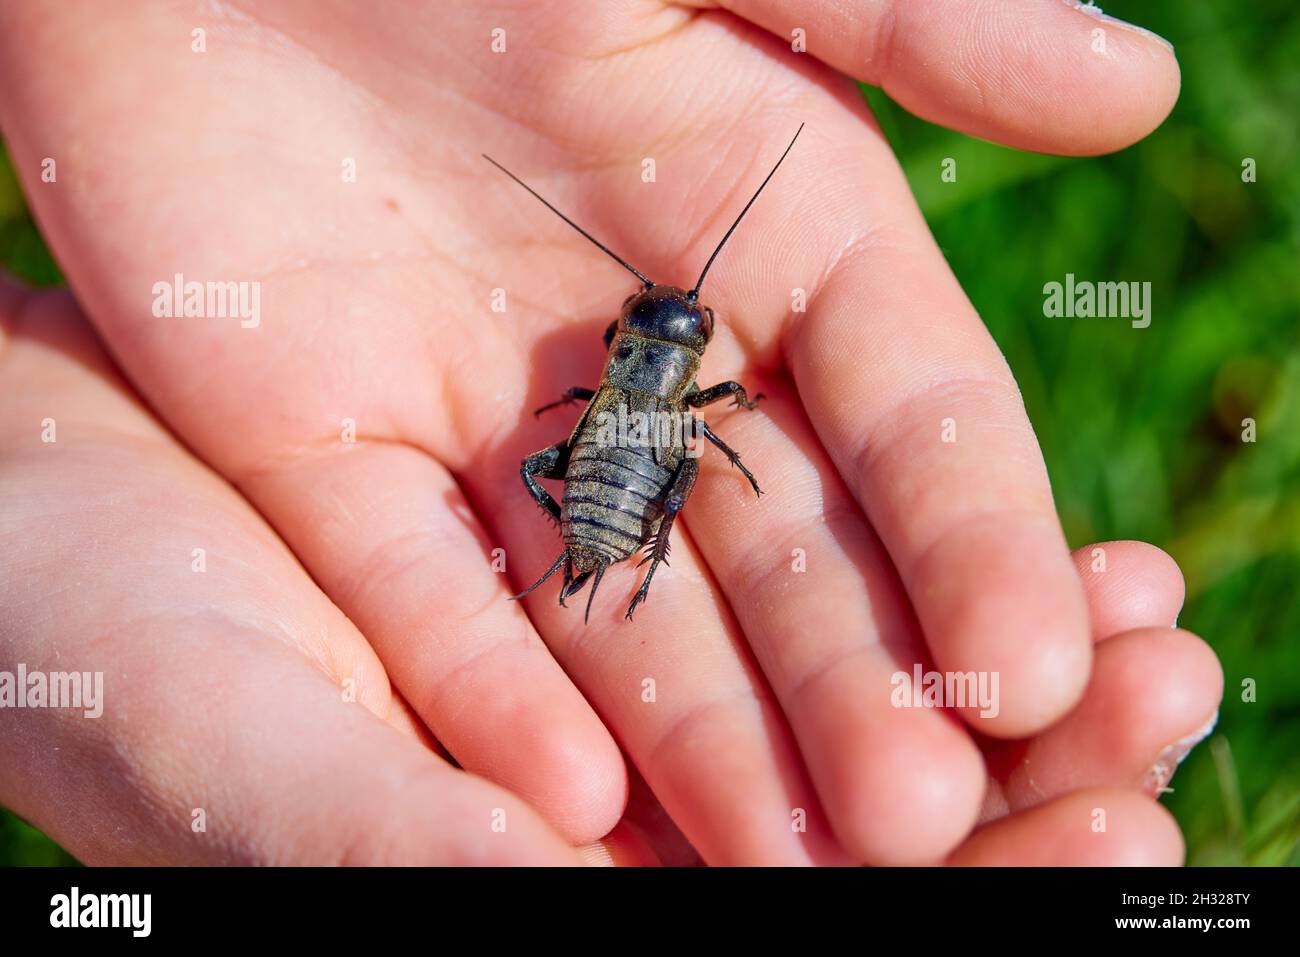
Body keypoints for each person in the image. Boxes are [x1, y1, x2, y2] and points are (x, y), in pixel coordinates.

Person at [0, 0, 1222, 865]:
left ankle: (606, 556)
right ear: (669, 354)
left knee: (644, 480)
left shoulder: (607, 385)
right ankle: (623, 562)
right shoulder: (676, 394)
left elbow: (633, 434)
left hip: (605, 466)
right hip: (627, 477)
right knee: (671, 479)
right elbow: (699, 442)